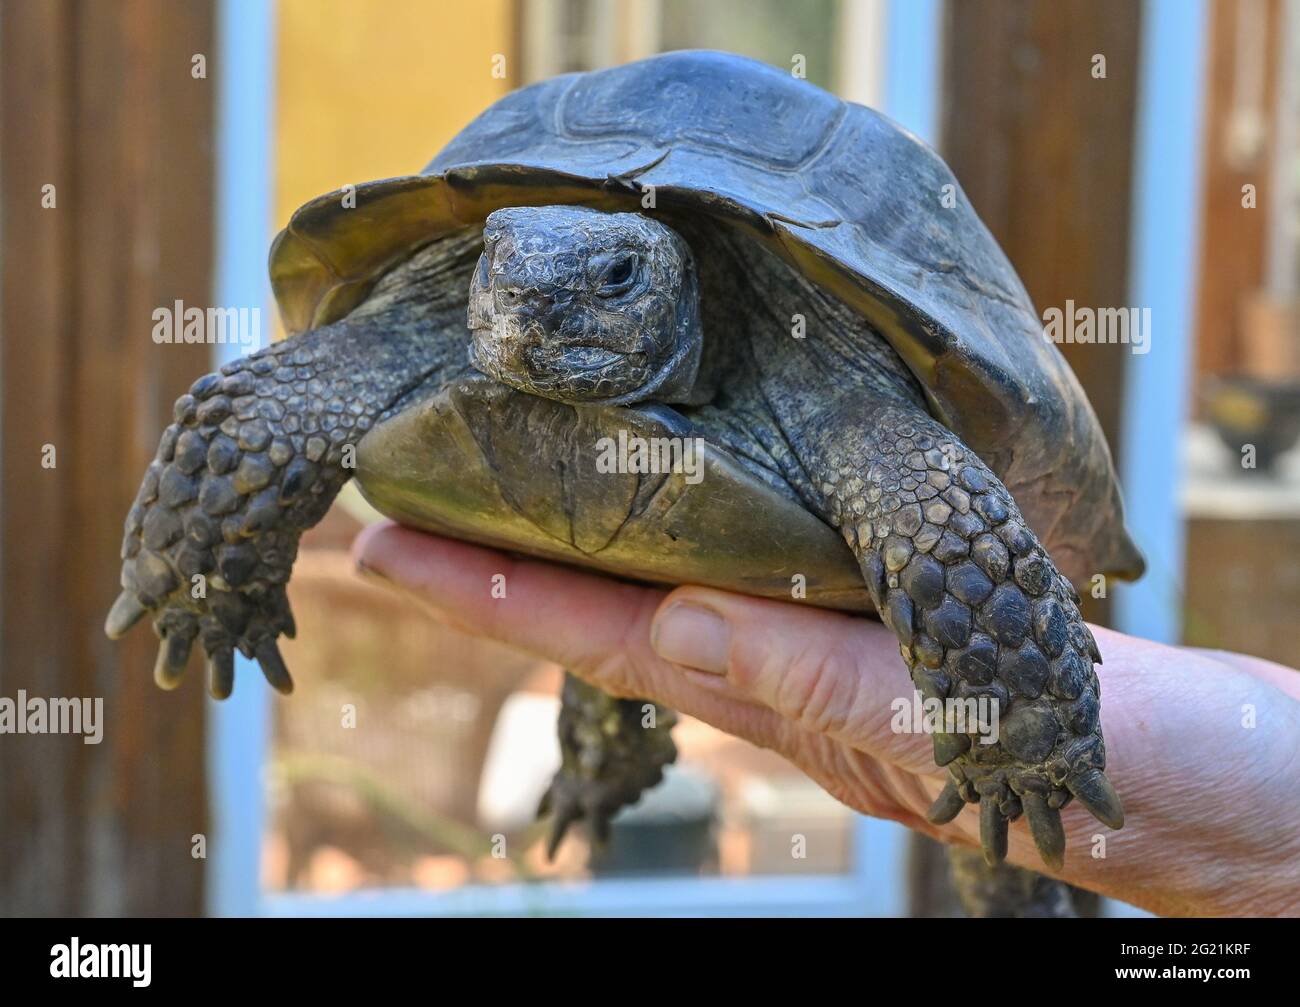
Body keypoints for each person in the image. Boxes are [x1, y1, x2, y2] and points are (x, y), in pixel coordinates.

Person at [353, 522, 1300, 917]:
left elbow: (942, 509)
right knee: (616, 633)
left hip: (898, 497)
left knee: (995, 795)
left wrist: (1272, 852)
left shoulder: (892, 459)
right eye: (504, 276)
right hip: (635, 562)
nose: (542, 305)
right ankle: (604, 751)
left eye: (610, 282)